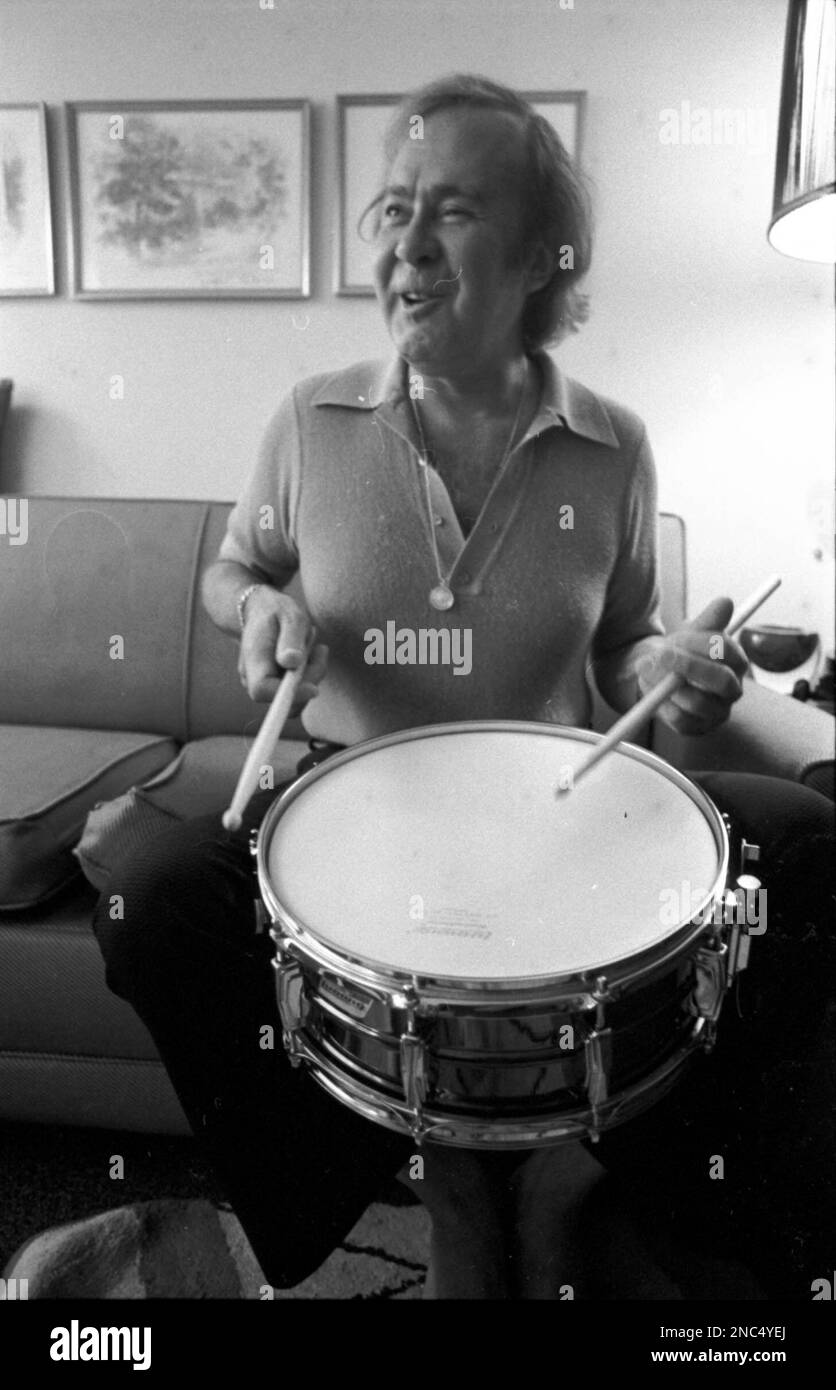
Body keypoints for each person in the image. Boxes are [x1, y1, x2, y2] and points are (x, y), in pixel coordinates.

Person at [93, 75, 834, 1299]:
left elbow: (625, 647)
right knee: (152, 894)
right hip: (344, 816)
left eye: (451, 210)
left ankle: (595, 1160)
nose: (406, 244)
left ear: (544, 251)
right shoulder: (309, 418)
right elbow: (235, 570)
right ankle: (412, 1162)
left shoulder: (613, 444)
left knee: (806, 843)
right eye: (391, 209)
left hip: (552, 820)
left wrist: (664, 675)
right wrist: (261, 607)